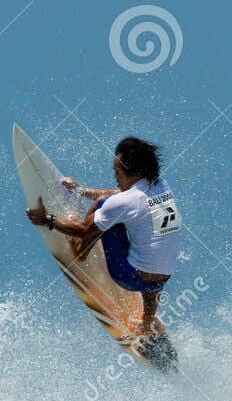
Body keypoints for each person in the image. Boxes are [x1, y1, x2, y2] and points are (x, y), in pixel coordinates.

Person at [26, 136, 181, 368]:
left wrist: (47, 220)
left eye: (116, 169)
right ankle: (147, 325)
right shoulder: (160, 186)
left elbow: (82, 230)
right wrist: (80, 191)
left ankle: (79, 252)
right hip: (162, 277)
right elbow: (117, 194)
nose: (114, 174)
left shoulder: (125, 202)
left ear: (131, 170)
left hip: (128, 275)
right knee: (144, 242)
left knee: (104, 209)